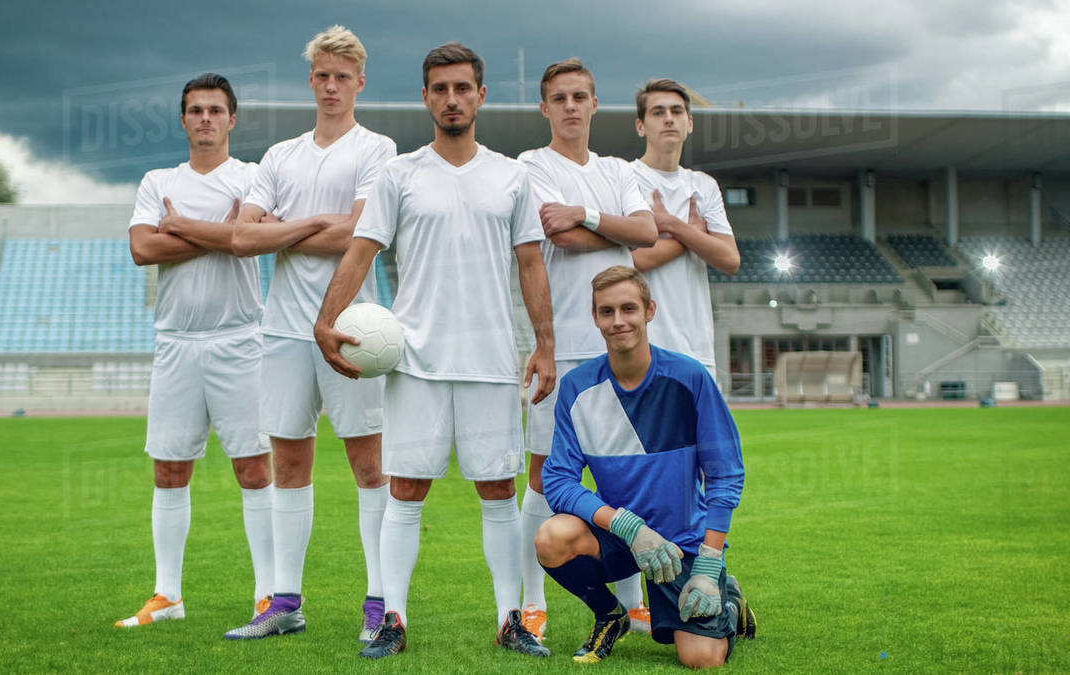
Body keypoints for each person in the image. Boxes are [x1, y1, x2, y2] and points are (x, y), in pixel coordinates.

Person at [313, 42, 555, 660]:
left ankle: (511, 619)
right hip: (414, 360)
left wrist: (545, 344)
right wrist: (325, 320)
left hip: (489, 359)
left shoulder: (511, 175)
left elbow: (531, 262)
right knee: (406, 490)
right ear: (426, 97)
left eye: (462, 88)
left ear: (481, 96)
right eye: (440, 89)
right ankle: (392, 618)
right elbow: (361, 251)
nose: (452, 99)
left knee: (498, 491)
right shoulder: (399, 174)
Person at [227, 25, 396, 642]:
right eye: (322, 75)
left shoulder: (379, 150)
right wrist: (323, 222)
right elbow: (244, 237)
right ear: (312, 79)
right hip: (283, 331)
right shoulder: (279, 155)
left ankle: (380, 606)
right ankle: (284, 603)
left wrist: (285, 226)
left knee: (368, 463)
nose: (331, 86)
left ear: (359, 82)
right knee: (289, 461)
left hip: (354, 327)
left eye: (342, 77)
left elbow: (359, 236)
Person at [538, 266, 755, 667]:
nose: (618, 321)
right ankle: (610, 616)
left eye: (628, 309)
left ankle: (729, 599)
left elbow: (725, 473)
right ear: (596, 318)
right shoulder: (578, 387)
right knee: (552, 537)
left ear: (649, 311)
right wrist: (624, 524)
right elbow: (557, 479)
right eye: (607, 312)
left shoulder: (689, 378)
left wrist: (709, 561)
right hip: (622, 538)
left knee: (702, 658)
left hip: (681, 544)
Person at [116, 74, 272, 631]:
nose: (205, 118)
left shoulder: (254, 178)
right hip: (176, 342)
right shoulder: (158, 179)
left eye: (215, 110)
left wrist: (179, 226)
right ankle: (168, 594)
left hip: (239, 341)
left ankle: (267, 596)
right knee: (169, 468)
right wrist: (220, 232)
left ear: (232, 119)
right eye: (195, 110)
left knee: (254, 467)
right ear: (183, 120)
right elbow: (141, 248)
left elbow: (253, 237)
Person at [515, 58, 657, 642]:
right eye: (559, 98)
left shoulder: (620, 169)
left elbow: (647, 232)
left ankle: (633, 601)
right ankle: (529, 602)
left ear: (595, 105)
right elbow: (559, 234)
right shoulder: (530, 165)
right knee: (544, 475)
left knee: (623, 477)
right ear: (544, 108)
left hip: (615, 345)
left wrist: (591, 215)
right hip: (559, 345)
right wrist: (610, 227)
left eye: (580, 96)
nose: (570, 106)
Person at [629, 79, 740, 381]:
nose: (668, 118)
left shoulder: (703, 185)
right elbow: (636, 260)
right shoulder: (625, 178)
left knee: (698, 430)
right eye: (658, 112)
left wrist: (671, 226)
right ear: (641, 126)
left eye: (677, 111)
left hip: (697, 345)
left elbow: (730, 260)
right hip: (643, 345)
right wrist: (692, 236)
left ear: (689, 123)